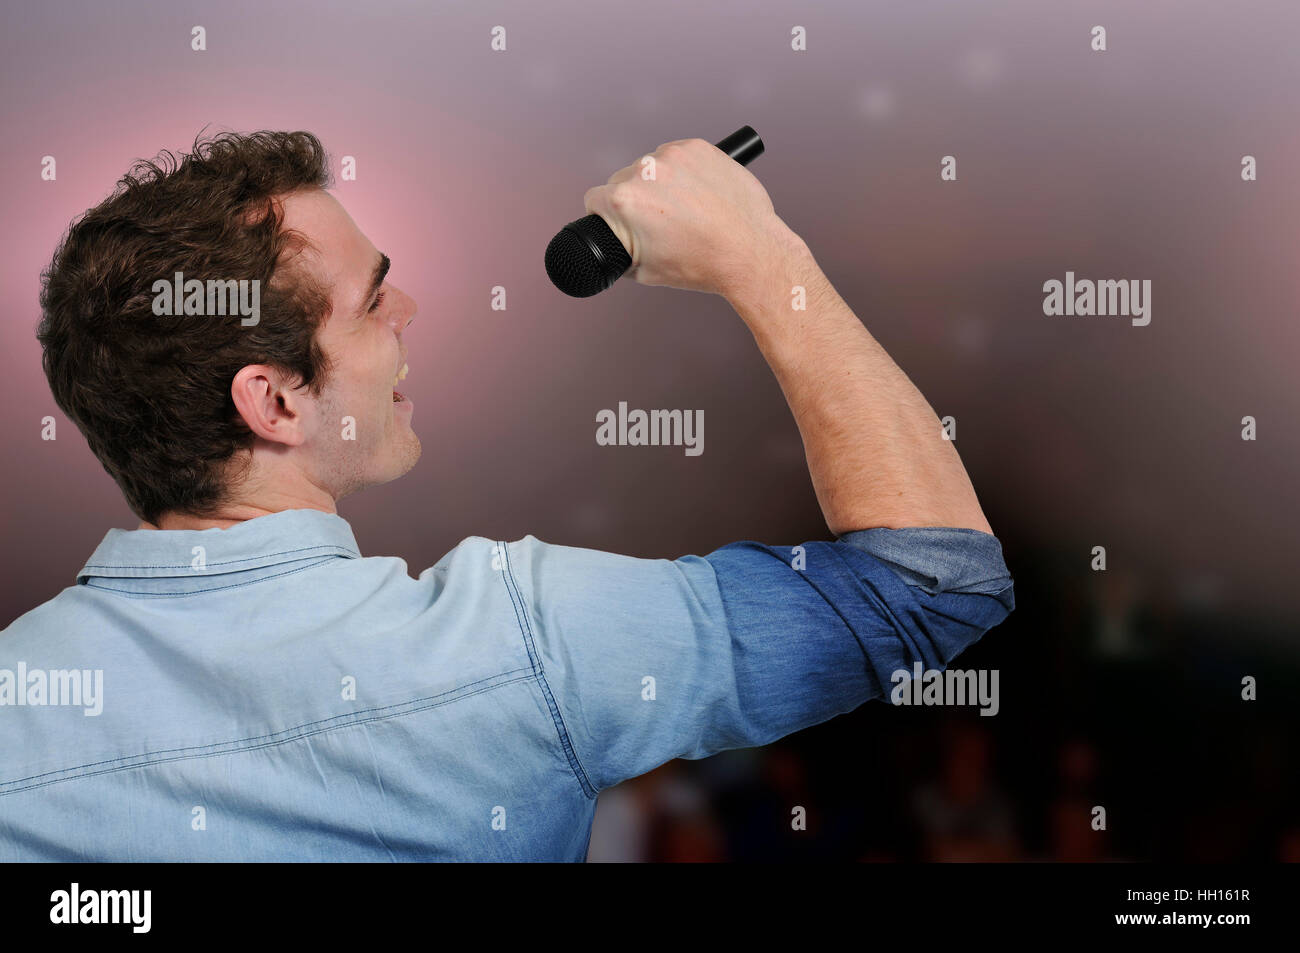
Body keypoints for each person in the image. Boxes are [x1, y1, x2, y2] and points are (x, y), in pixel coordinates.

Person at [0, 130, 1014, 861]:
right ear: (272, 401)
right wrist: (761, 260)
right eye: (371, 298)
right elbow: (929, 582)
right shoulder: (523, 645)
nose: (408, 310)